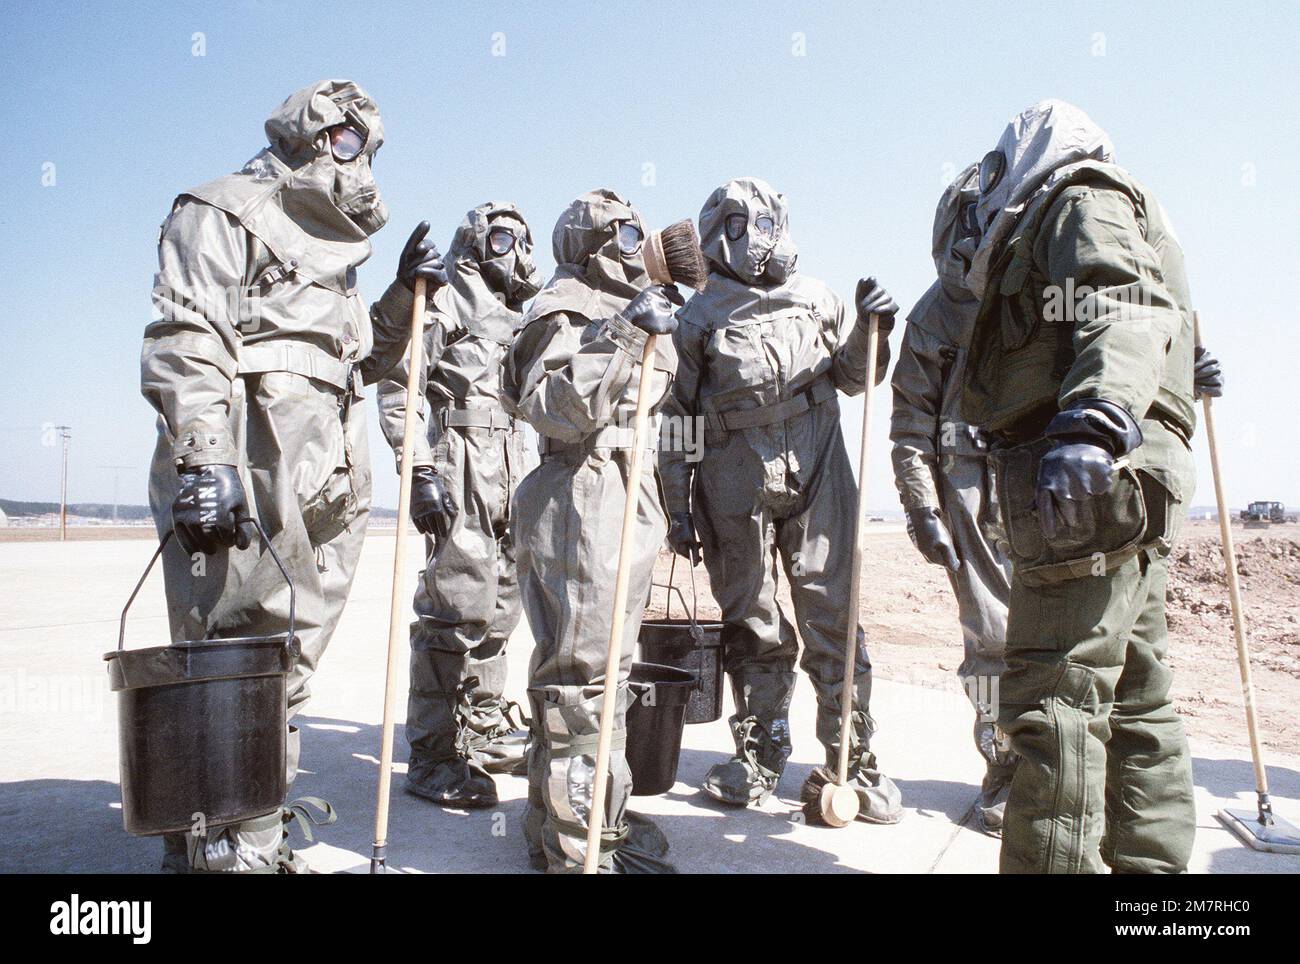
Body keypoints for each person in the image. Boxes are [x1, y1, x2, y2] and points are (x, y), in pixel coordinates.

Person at [142, 79, 445, 872]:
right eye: (348, 140)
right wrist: (204, 453)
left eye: (370, 146)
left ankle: (253, 840)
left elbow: (358, 364)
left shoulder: (334, 255)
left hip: (325, 486)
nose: (361, 159)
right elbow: (186, 335)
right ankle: (220, 853)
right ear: (313, 136)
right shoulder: (221, 210)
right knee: (229, 669)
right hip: (251, 470)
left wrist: (399, 301)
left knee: (284, 672)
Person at [961, 99, 1212, 873]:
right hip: (1125, 484)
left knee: (1055, 704)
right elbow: (1152, 309)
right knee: (1137, 700)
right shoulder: (1121, 204)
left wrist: (1094, 418)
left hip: (1085, 481)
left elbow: (1125, 304)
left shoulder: (1077, 195)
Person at [659, 177, 902, 822]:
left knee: (832, 612)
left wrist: (874, 327)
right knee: (753, 619)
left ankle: (853, 758)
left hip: (820, 469)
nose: (747, 236)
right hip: (731, 480)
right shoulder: (700, 315)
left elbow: (854, 375)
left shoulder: (816, 297)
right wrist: (677, 504)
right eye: (732, 226)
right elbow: (677, 414)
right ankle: (761, 752)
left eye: (756, 221)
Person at [505, 188, 680, 873]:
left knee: (607, 670)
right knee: (582, 677)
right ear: (596, 240)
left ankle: (573, 823)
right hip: (582, 488)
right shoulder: (563, 309)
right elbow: (551, 408)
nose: (639, 245)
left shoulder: (626, 308)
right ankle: (578, 852)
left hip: (628, 487)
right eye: (626, 233)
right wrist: (626, 334)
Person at [375, 202, 542, 809]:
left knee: (503, 604)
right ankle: (432, 752)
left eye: (522, 239)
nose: (515, 250)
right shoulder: (442, 299)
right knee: (455, 609)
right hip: (462, 459)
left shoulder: (526, 313)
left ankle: (484, 722)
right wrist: (418, 468)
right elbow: (402, 383)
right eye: (501, 237)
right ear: (475, 242)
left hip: (518, 462)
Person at [889, 164, 1017, 836]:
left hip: (1042, 481)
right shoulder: (932, 316)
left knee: (1062, 634)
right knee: (992, 638)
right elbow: (909, 426)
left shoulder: (1040, 290)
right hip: (967, 491)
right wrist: (921, 511)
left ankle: (1063, 766)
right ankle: (1004, 770)